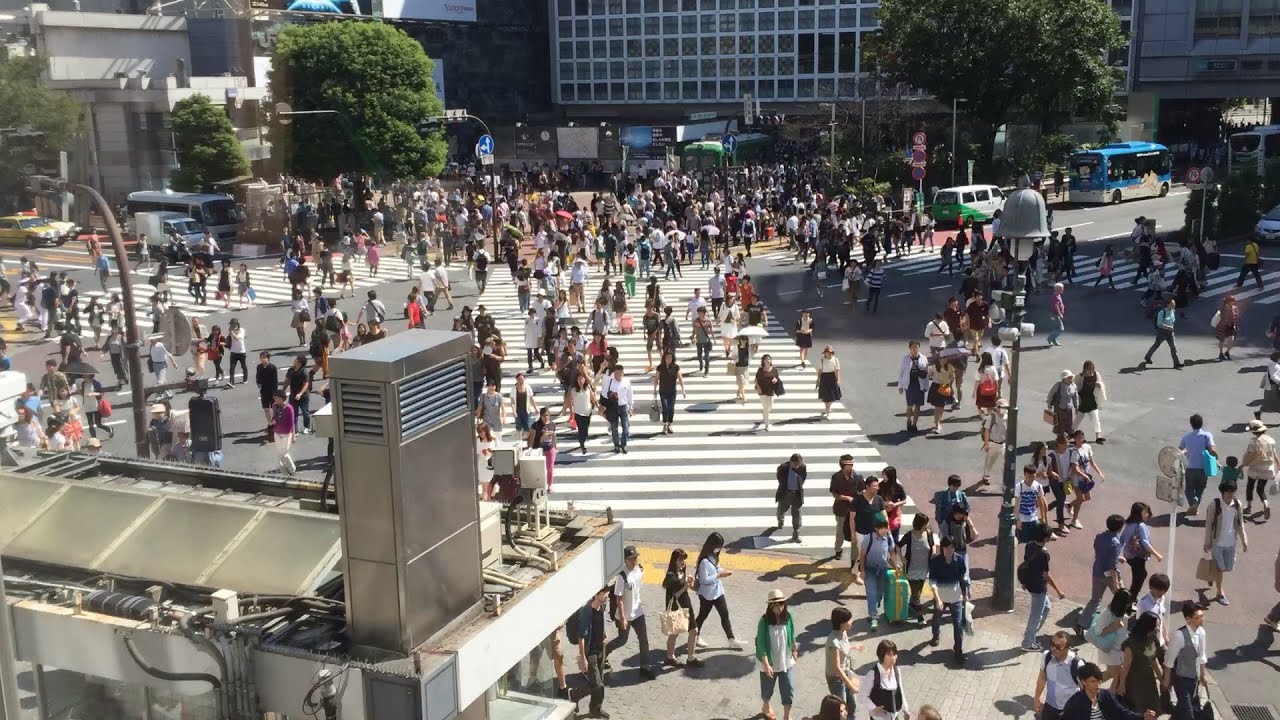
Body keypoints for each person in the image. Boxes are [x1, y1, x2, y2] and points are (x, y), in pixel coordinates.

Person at [606, 545, 655, 680]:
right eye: (630, 559)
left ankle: (645, 667)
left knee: (643, 640)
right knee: (622, 640)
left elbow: (638, 587)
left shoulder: (638, 569)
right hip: (625, 615)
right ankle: (603, 653)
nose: (633, 561)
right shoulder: (621, 576)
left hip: (638, 612)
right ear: (625, 560)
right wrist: (622, 618)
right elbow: (619, 599)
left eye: (635, 558)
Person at [755, 588, 798, 720]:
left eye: (782, 603)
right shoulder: (764, 621)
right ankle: (766, 706)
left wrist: (794, 648)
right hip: (770, 662)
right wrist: (766, 664)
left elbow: (791, 633)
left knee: (788, 688)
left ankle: (787, 714)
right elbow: (761, 643)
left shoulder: (788, 617)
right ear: (770, 606)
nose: (780, 607)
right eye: (776, 604)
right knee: (767, 688)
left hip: (786, 660)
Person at [1203, 481, 1248, 605]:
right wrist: (1207, 542)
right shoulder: (1215, 504)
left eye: (1232, 492)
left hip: (1231, 542)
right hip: (1217, 543)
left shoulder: (1237, 505)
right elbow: (1208, 524)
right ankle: (1219, 592)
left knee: (1228, 567)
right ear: (1222, 492)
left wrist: (1244, 540)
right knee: (1220, 568)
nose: (1230, 494)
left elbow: (1240, 523)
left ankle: (1211, 576)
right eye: (1227, 492)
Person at [1021, 525, 1066, 651]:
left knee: (1046, 608)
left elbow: (1026, 564)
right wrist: (1058, 591)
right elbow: (1045, 575)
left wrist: (1024, 581)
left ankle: (1030, 635)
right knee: (1035, 616)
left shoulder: (1029, 545)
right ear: (1046, 538)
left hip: (1030, 583)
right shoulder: (1044, 554)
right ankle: (1027, 642)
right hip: (1038, 588)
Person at [1162, 603, 1209, 720]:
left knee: (1182, 708)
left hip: (1194, 678)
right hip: (1180, 678)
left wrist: (1202, 675)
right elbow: (1169, 659)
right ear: (1188, 619)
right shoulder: (1179, 636)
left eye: (1202, 616)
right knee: (1188, 714)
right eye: (1198, 617)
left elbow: (1202, 656)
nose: (1202, 619)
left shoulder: (1201, 632)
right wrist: (1166, 680)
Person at [693, 531, 741, 647]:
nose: (719, 549)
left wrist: (723, 572)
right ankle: (695, 636)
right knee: (702, 616)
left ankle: (731, 640)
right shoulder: (704, 561)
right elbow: (704, 579)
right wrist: (719, 576)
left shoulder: (713, 557)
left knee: (725, 615)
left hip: (717, 592)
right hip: (707, 595)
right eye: (718, 546)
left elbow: (716, 568)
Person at [1062, 662, 1156, 720]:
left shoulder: (1105, 695)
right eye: (1093, 681)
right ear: (1083, 682)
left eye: (1099, 681)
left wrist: (1142, 717)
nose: (1097, 685)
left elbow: (1121, 712)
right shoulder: (1075, 703)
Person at [928, 536, 970, 665]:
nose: (949, 550)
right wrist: (938, 599)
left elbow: (963, 578)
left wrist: (966, 593)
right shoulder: (935, 562)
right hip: (940, 597)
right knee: (936, 619)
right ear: (942, 547)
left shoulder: (960, 560)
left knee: (958, 625)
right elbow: (932, 582)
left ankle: (958, 651)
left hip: (956, 598)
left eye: (952, 547)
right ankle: (936, 635)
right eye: (946, 547)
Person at [661, 548, 704, 668]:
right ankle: (670, 657)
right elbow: (676, 595)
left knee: (694, 630)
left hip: (686, 605)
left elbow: (689, 588)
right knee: (674, 633)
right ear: (674, 560)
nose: (683, 562)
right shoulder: (671, 577)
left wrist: (690, 583)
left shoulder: (682, 571)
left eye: (683, 559)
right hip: (677, 607)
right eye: (680, 559)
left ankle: (691, 657)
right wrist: (685, 586)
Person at [573, 586, 610, 719]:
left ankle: (595, 708)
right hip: (591, 653)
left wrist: (604, 634)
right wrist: (583, 657)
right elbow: (581, 636)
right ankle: (576, 696)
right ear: (596, 595)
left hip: (601, 649)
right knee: (598, 685)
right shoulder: (586, 612)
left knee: (596, 682)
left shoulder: (602, 607)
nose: (607, 595)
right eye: (604, 593)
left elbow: (600, 624)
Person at [1118, 612, 1164, 715]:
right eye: (1156, 626)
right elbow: (1125, 668)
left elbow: (1154, 660)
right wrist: (1121, 685)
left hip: (1148, 680)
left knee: (1153, 709)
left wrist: (1162, 680)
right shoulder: (1131, 645)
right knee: (1138, 710)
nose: (1157, 628)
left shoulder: (1152, 640)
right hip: (1134, 683)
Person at [858, 516, 898, 631]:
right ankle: (874, 616)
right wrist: (862, 571)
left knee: (880, 592)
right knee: (871, 593)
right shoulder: (868, 538)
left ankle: (875, 607)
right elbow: (862, 555)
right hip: (869, 569)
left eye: (886, 527)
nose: (885, 530)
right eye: (882, 528)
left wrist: (895, 565)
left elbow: (892, 552)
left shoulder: (888, 538)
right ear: (876, 528)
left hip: (883, 569)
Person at [1034, 630, 1082, 720]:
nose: (1053, 648)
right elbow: (1042, 677)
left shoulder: (1077, 664)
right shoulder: (1046, 656)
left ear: (1068, 648)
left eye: (1058, 647)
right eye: (1052, 644)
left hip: (1070, 709)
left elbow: (1085, 689)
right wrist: (1037, 698)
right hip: (1050, 706)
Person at [858, 640, 909, 720]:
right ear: (882, 655)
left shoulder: (896, 671)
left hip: (894, 717)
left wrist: (905, 710)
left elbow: (900, 691)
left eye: (894, 654)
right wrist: (874, 708)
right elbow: (862, 696)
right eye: (889, 654)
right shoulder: (873, 674)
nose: (893, 657)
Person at [1179, 413, 1219, 516]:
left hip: (1190, 467)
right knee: (1200, 489)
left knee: (1189, 489)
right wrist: (1216, 459)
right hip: (1203, 468)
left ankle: (1193, 504)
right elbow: (1212, 450)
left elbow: (1179, 450)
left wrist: (1186, 453)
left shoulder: (1186, 437)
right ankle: (1195, 506)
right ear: (1201, 423)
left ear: (1191, 424)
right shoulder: (1207, 435)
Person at [1120, 502, 1162, 596]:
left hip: (1129, 555)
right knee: (1139, 578)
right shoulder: (1141, 526)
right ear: (1138, 514)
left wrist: (1118, 553)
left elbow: (1122, 539)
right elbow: (1145, 543)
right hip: (1138, 556)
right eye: (1145, 513)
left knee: (1141, 575)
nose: (1147, 515)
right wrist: (1157, 555)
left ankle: (1132, 596)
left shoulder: (1128, 524)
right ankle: (1131, 599)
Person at [825, 608, 862, 711]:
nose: (851, 622)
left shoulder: (843, 633)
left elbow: (844, 649)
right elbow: (837, 668)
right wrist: (850, 685)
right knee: (842, 708)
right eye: (849, 620)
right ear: (841, 623)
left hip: (845, 674)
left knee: (852, 706)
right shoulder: (833, 642)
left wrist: (854, 647)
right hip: (836, 679)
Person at [1241, 418, 1277, 518]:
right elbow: (1274, 455)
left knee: (1250, 487)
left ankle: (1248, 506)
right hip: (1267, 469)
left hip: (1255, 468)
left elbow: (1251, 455)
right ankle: (1265, 503)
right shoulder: (1270, 440)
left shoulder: (1253, 441)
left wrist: (1242, 465)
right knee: (1260, 489)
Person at [831, 455, 862, 562]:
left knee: (854, 533)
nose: (852, 467)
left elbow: (862, 493)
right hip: (841, 510)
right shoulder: (836, 477)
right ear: (843, 466)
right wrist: (847, 498)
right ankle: (838, 550)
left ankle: (854, 558)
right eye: (849, 465)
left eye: (852, 465)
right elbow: (835, 494)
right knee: (840, 532)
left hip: (855, 511)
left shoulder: (858, 478)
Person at [600, 365, 634, 453]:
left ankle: (623, 444)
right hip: (613, 407)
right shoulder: (610, 381)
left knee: (626, 427)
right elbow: (603, 393)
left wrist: (631, 407)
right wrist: (611, 395)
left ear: (622, 373)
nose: (617, 375)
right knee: (614, 428)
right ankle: (616, 446)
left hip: (623, 406)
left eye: (619, 373)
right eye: (616, 373)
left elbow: (630, 394)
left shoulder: (626, 382)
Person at [898, 341, 930, 434]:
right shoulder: (905, 359)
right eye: (913, 347)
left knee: (918, 406)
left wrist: (926, 386)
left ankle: (914, 424)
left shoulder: (923, 358)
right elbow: (901, 372)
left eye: (916, 347)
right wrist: (900, 386)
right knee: (909, 406)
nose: (915, 349)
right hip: (910, 384)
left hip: (920, 384)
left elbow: (926, 373)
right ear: (909, 348)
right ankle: (909, 420)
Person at [1142, 298, 1182, 369]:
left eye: (1174, 304)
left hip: (1170, 333)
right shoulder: (1162, 312)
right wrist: (1169, 327)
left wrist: (1171, 327)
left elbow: (1172, 321)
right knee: (1156, 345)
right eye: (1172, 305)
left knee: (1173, 347)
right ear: (1168, 305)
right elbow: (1159, 324)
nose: (1174, 306)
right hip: (1162, 333)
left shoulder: (1173, 311)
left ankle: (1176, 363)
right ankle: (1148, 356)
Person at [774, 453, 806, 543]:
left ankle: (796, 533)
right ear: (791, 462)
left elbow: (803, 478)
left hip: (797, 494)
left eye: (799, 464)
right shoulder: (783, 468)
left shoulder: (803, 467)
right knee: (782, 509)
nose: (797, 466)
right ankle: (780, 518)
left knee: (797, 514)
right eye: (795, 464)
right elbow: (780, 479)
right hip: (785, 493)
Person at [652, 351, 686, 435]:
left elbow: (680, 379)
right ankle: (664, 425)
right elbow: (656, 379)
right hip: (663, 391)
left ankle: (669, 424)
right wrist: (654, 390)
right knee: (665, 408)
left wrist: (683, 390)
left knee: (671, 408)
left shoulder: (675, 367)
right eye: (667, 357)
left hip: (672, 391)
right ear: (664, 358)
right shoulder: (660, 367)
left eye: (670, 357)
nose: (668, 359)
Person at [1074, 361, 1106, 444]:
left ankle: (1098, 436)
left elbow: (1101, 383)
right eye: (1088, 370)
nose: (1090, 371)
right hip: (1083, 400)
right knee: (1078, 419)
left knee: (1095, 418)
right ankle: (1071, 433)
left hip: (1092, 400)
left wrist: (1099, 385)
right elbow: (1075, 385)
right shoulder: (1080, 376)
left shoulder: (1096, 374)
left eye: (1091, 369)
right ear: (1084, 369)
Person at [981, 398, 1009, 484]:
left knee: (1004, 463)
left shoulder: (1007, 417)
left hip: (1003, 444)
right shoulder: (992, 417)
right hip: (992, 443)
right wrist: (986, 444)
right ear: (997, 407)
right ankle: (986, 476)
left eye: (1006, 407)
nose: (1004, 409)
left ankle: (1005, 480)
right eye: (1002, 407)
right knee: (989, 461)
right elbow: (987, 430)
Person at [271, 390, 296, 475]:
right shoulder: (274, 406)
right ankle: (283, 472)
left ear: (282, 398)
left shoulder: (289, 408)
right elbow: (274, 416)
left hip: (286, 434)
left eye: (276, 397)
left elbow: (292, 422)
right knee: (279, 453)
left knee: (284, 453)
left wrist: (293, 435)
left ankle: (292, 468)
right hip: (277, 432)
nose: (274, 399)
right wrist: (273, 421)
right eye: (274, 397)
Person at [816, 345, 841, 419]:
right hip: (824, 378)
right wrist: (818, 379)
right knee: (826, 396)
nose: (829, 354)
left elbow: (837, 370)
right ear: (825, 353)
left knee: (831, 396)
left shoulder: (835, 359)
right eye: (827, 352)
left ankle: (828, 410)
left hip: (832, 378)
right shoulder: (822, 360)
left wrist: (838, 379)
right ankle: (828, 412)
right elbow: (820, 370)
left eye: (830, 352)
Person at [1214, 294, 1241, 361]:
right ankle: (1221, 353)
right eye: (1231, 301)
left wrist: (1236, 326)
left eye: (1233, 301)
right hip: (1223, 326)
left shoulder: (1235, 308)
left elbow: (1236, 318)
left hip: (1231, 326)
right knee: (1222, 341)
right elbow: (1220, 318)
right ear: (1227, 302)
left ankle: (1227, 352)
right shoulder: (1222, 309)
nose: (1233, 302)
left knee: (1232, 340)